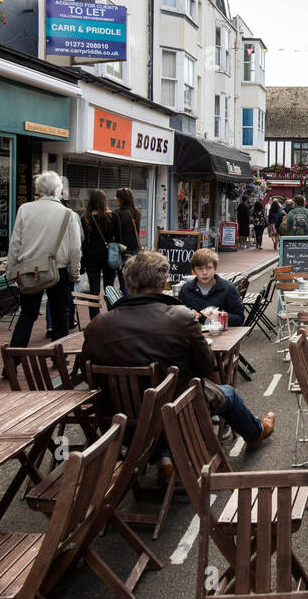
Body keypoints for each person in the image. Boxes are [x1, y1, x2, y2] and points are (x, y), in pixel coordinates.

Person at [83, 251, 274, 472]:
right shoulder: (181, 318)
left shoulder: (98, 325)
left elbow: (88, 375)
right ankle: (256, 433)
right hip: (178, 410)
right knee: (226, 393)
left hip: (121, 417)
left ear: (128, 282)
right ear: (163, 282)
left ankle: (164, 457)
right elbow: (205, 367)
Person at [8, 171, 81, 347]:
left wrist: (11, 270)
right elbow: (75, 248)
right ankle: (58, 358)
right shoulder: (68, 214)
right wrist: (74, 271)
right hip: (59, 269)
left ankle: (12, 361)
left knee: (27, 315)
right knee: (60, 316)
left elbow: (15, 243)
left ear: (39, 189)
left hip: (29, 269)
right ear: (58, 190)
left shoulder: (25, 209)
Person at [178, 247, 246, 325]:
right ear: (193, 271)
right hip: (194, 334)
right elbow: (177, 318)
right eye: (200, 269)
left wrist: (220, 316)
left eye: (209, 268)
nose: (204, 272)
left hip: (221, 335)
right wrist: (188, 315)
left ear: (215, 268)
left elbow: (240, 318)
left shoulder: (228, 288)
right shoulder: (186, 289)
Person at [80, 189, 121, 310]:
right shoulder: (113, 216)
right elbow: (119, 239)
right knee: (110, 288)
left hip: (91, 257)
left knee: (94, 290)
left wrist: (83, 262)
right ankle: (111, 316)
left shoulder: (85, 218)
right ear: (104, 201)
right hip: (109, 256)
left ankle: (94, 319)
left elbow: (83, 242)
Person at [114, 188, 142, 292]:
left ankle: (127, 305)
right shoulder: (136, 212)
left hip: (123, 252)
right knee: (134, 281)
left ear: (121, 199)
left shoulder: (117, 214)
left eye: (116, 196)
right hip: (135, 251)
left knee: (124, 282)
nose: (114, 198)